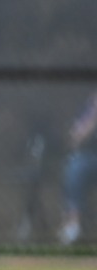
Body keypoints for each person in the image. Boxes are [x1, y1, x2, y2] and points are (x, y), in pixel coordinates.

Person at [61, 91, 97, 246]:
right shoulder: (88, 110)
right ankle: (73, 225)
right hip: (89, 158)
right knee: (74, 167)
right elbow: (74, 140)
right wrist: (93, 118)